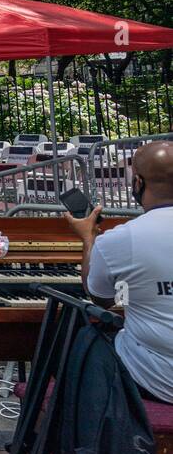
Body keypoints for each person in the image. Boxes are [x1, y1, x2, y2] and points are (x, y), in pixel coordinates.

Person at [67, 141, 173, 403]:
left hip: (158, 380)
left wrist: (88, 238)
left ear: (137, 182)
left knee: (80, 339)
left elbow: (101, 298)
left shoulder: (121, 240)